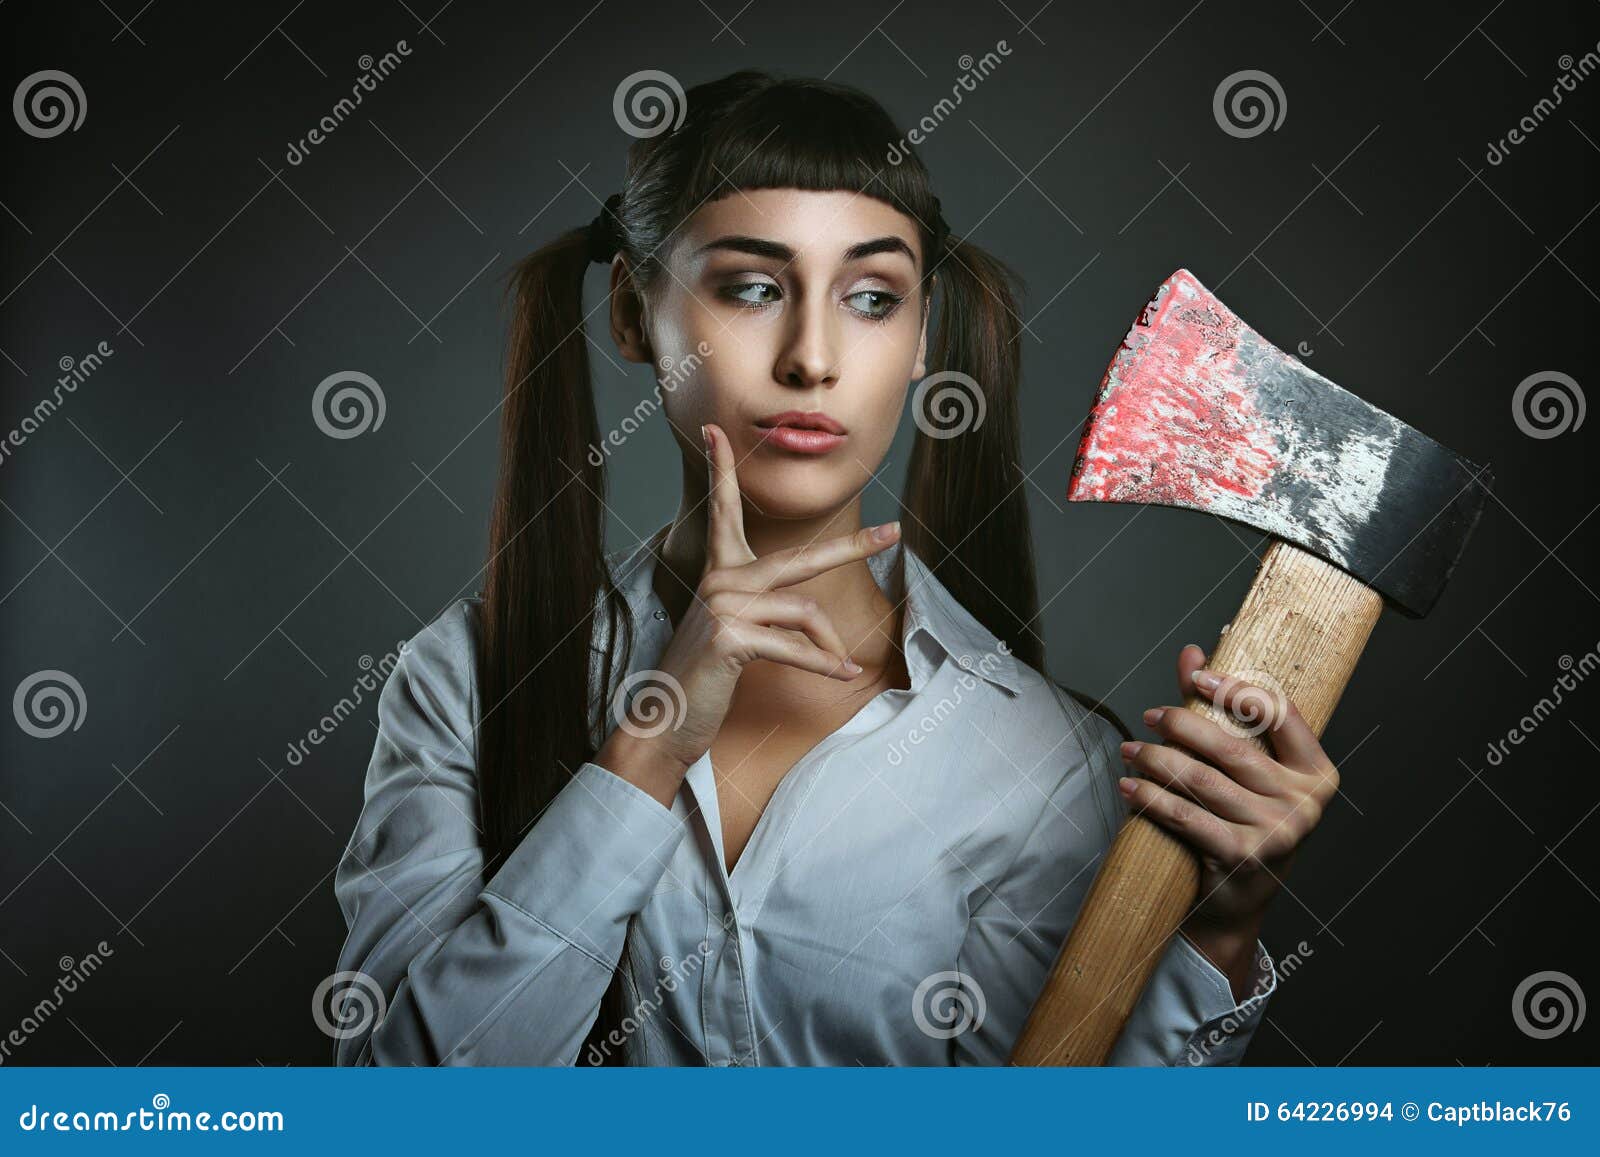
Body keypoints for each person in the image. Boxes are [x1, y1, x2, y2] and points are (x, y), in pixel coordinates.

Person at [331, 70, 1340, 1066]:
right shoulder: (464, 679)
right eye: (753, 288)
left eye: (870, 296)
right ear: (635, 316)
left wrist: (1218, 932)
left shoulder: (1041, 758)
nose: (812, 357)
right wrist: (645, 751)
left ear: (918, 337)